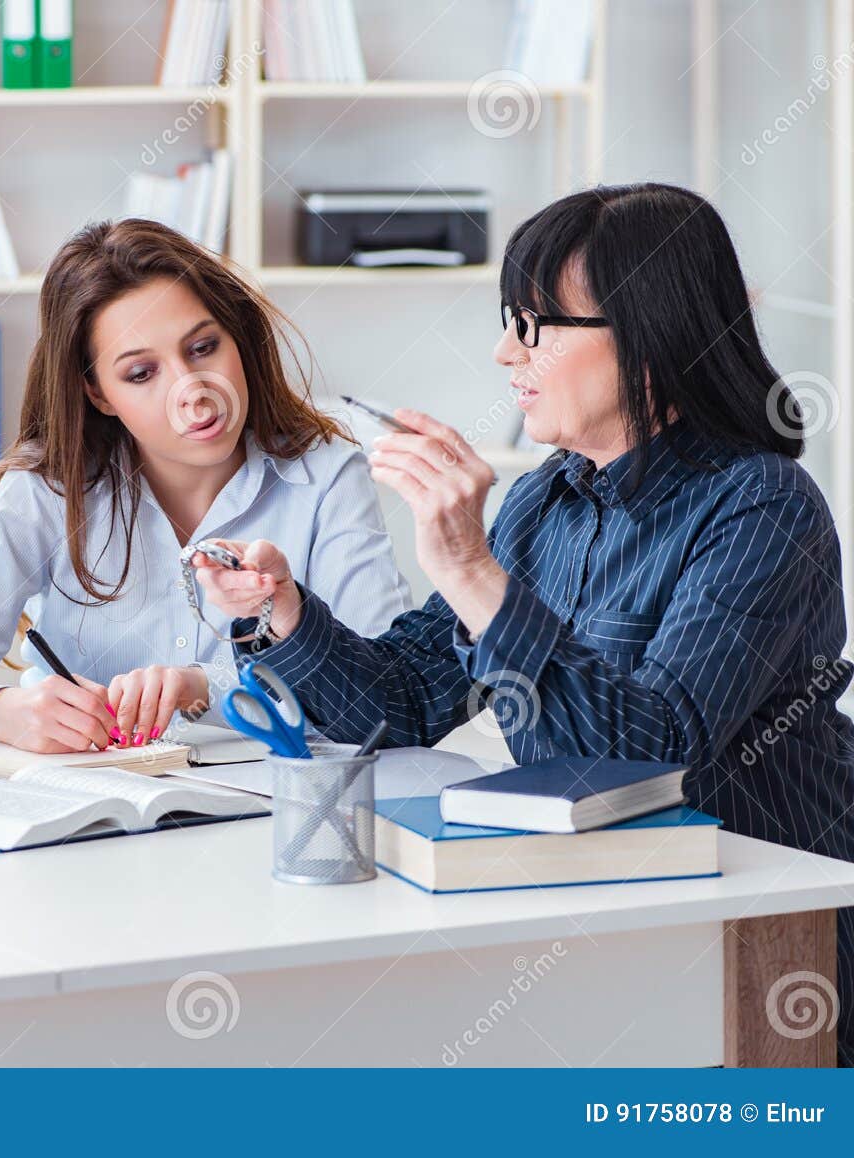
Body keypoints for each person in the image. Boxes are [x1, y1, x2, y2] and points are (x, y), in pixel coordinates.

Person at [189, 182, 854, 1065]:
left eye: (535, 327)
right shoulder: (545, 501)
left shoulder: (762, 508)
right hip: (611, 909)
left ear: (648, 337)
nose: (506, 353)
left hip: (768, 931)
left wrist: (473, 571)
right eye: (509, 320)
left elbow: (650, 762)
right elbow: (406, 703)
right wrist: (287, 613)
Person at [0, 217, 412, 753]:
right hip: (95, 822)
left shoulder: (328, 476)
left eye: (202, 348)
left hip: (274, 817)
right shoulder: (46, 493)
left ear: (236, 338)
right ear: (98, 394)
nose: (193, 391)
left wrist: (206, 688)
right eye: (141, 374)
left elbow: (380, 693)